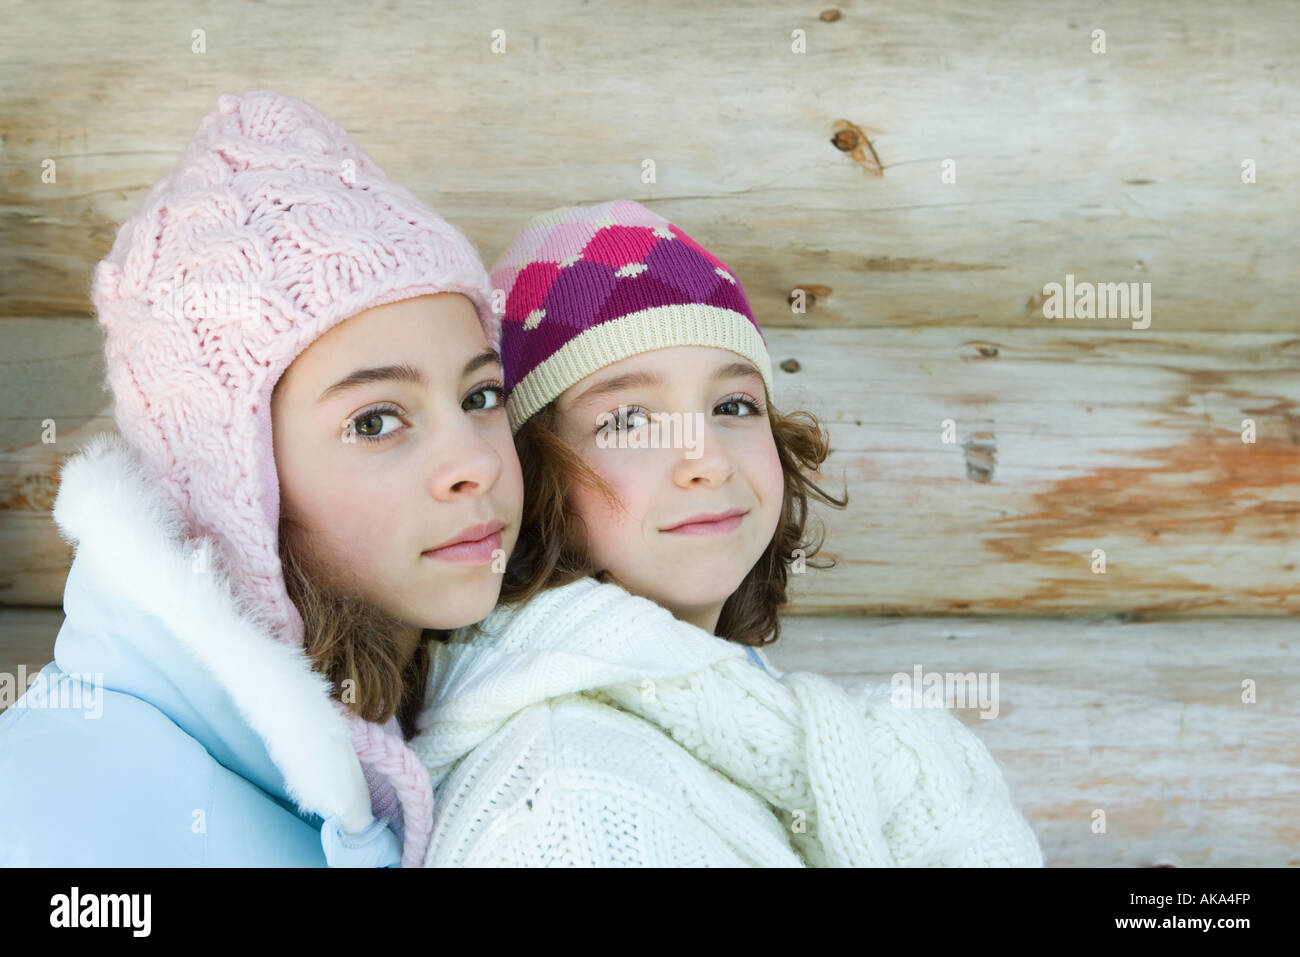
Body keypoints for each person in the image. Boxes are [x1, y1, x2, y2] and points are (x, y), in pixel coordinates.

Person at [411, 200, 1044, 866]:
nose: (707, 458)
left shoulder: (759, 716)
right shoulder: (565, 797)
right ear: (532, 474)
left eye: (733, 405)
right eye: (629, 420)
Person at [0, 90, 522, 867]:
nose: (476, 462)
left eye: (480, 395)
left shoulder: (444, 719)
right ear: (233, 482)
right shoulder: (57, 820)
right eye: (376, 421)